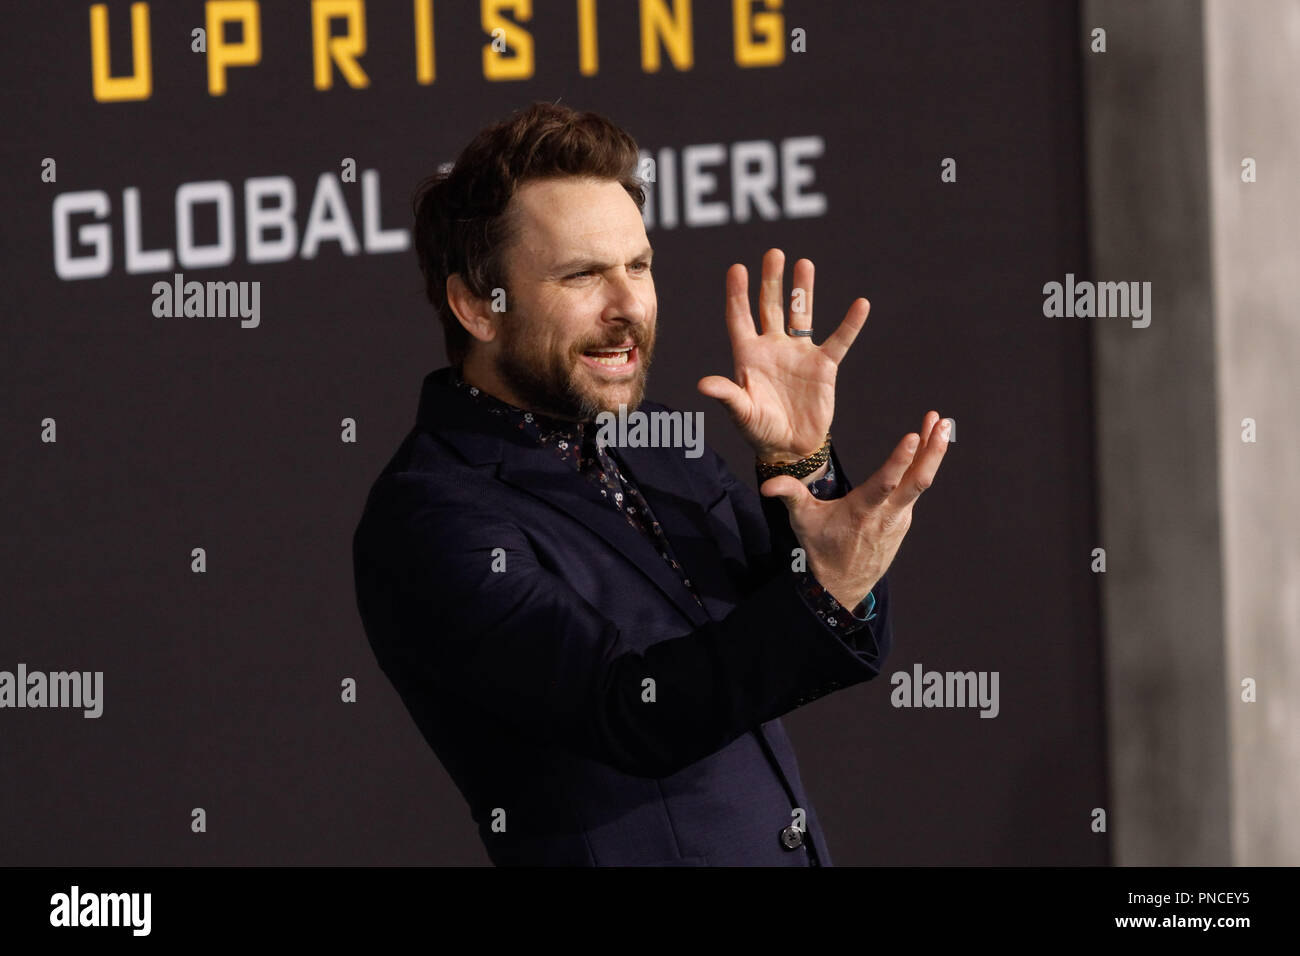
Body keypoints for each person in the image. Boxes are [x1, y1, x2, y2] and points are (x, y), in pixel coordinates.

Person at [351, 102, 950, 866]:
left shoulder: (651, 436)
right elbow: (630, 713)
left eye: (639, 266)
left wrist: (799, 467)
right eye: (581, 275)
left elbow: (819, 636)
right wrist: (827, 587)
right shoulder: (431, 514)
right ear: (477, 305)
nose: (629, 306)